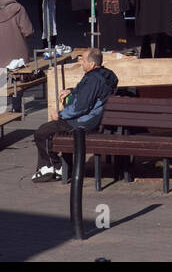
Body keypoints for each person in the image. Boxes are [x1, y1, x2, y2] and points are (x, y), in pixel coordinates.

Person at [31, 48, 118, 182]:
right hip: (92, 119)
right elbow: (88, 94)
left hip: (83, 122)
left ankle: (50, 166)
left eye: (83, 60)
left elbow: (81, 107)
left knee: (42, 132)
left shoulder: (93, 79)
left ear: (92, 64)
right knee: (48, 130)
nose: (81, 63)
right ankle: (56, 167)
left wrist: (61, 115)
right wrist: (70, 91)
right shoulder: (104, 74)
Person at [0, 0, 35, 111]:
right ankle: (16, 107)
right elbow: (27, 30)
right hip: (16, 47)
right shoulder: (19, 9)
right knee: (18, 75)